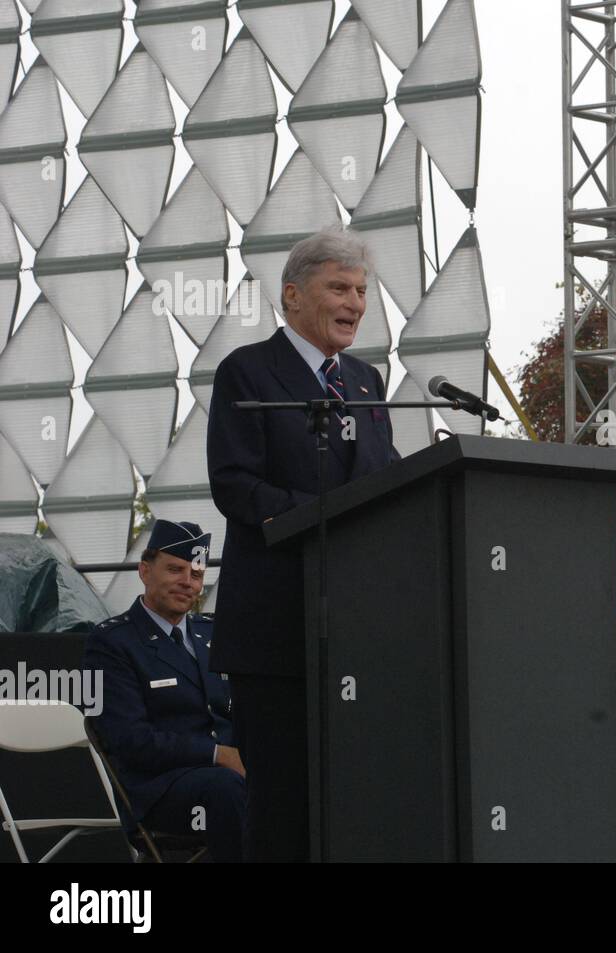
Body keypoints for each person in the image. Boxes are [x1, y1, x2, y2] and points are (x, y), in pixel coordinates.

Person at [206, 226, 401, 862]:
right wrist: (328, 518)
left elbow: (389, 477)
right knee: (285, 805)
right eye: (339, 287)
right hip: (276, 630)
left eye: (362, 291)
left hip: (357, 630)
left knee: (358, 796)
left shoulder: (368, 381)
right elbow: (235, 486)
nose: (355, 303)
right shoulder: (248, 371)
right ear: (292, 295)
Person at [83, 520, 245, 862]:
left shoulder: (213, 634)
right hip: (160, 791)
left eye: (196, 574)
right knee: (230, 792)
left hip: (226, 779)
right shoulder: (112, 643)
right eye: (175, 569)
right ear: (144, 570)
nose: (188, 582)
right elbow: (129, 740)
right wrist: (218, 754)